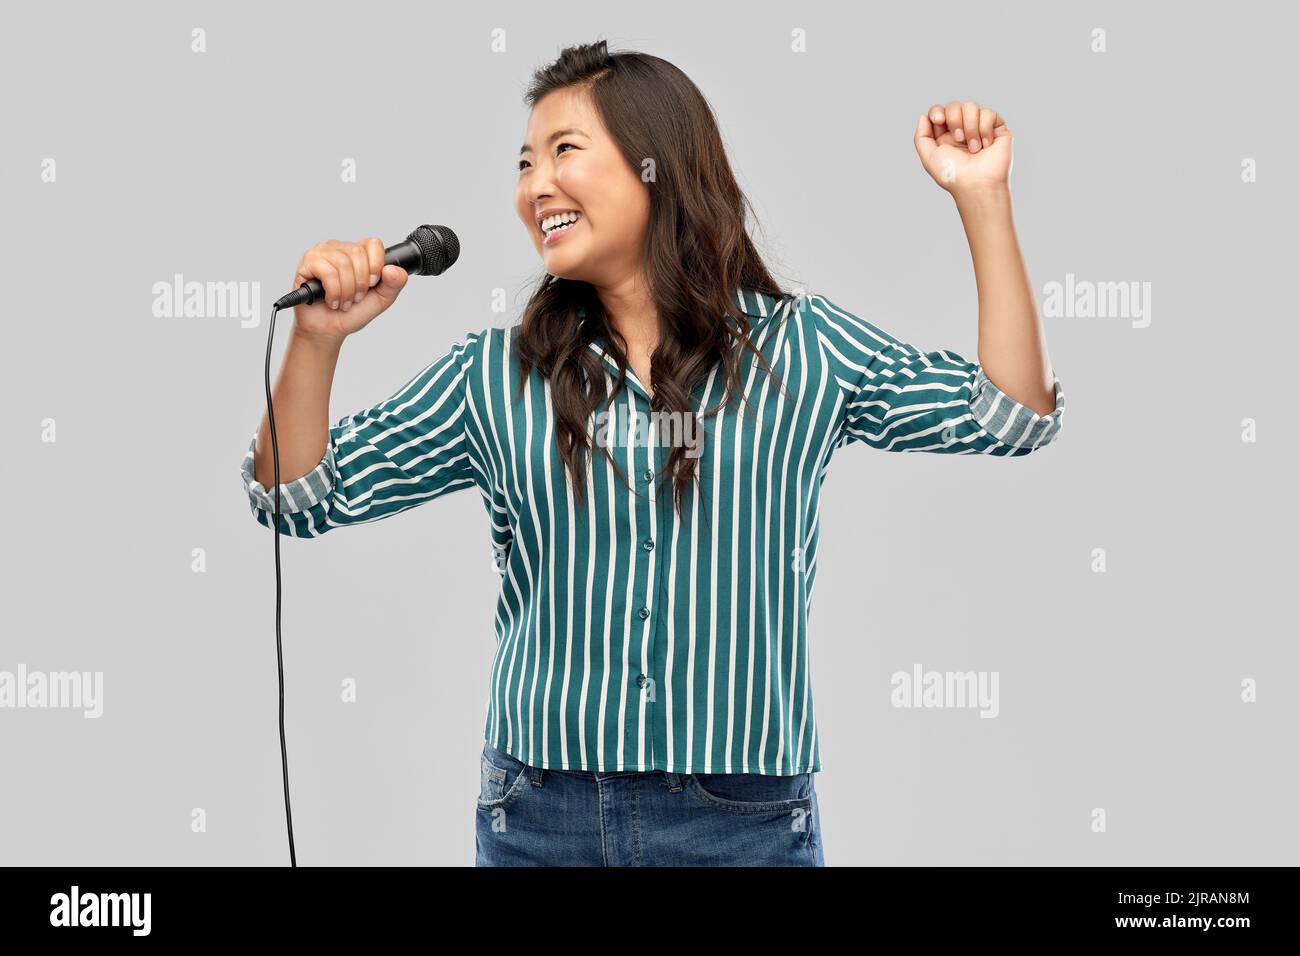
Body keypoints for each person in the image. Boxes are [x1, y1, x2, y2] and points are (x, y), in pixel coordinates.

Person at [240, 40, 1065, 867]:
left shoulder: (800, 349)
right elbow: (293, 498)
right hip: (538, 815)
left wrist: (982, 197)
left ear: (655, 167)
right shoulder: (493, 376)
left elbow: (1010, 415)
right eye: (525, 163)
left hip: (738, 817)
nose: (535, 187)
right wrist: (316, 342)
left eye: (565, 151)